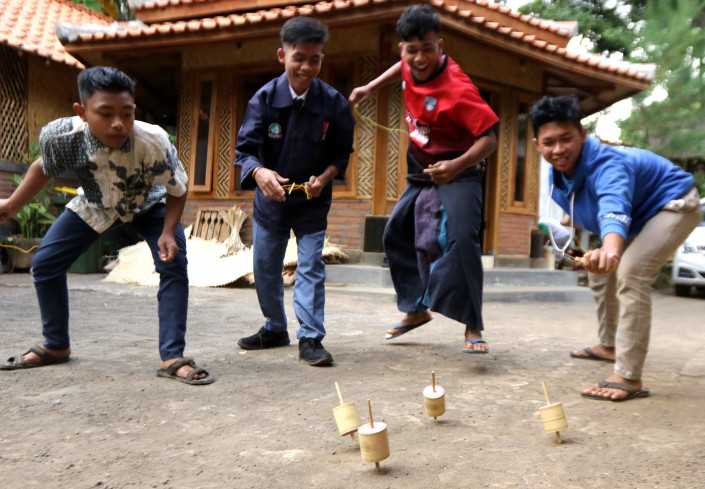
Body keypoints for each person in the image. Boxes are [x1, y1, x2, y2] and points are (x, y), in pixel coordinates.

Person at [0, 66, 214, 385]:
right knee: (45, 263)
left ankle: (172, 356)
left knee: (173, 264)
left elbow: (177, 188)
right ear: (82, 112)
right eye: (106, 113)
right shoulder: (62, 137)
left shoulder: (153, 140)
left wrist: (169, 231)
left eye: (126, 114)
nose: (118, 124)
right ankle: (56, 345)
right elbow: (43, 169)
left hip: (148, 202)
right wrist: (10, 205)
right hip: (96, 202)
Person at [530, 96, 702, 401]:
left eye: (566, 139)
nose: (558, 150)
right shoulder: (560, 172)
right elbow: (585, 202)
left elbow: (613, 208)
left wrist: (610, 253)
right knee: (599, 276)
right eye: (549, 142)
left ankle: (628, 375)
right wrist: (570, 222)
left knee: (631, 273)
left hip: (674, 205)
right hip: (640, 217)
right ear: (537, 144)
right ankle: (608, 346)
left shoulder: (608, 163)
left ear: (583, 135)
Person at [349, 5, 499, 354]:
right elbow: (401, 69)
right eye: (411, 50)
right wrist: (370, 86)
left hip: (461, 171)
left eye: (427, 49)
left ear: (440, 45)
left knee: (462, 241)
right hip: (421, 165)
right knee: (395, 233)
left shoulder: (458, 88)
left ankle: (473, 325)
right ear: (403, 48)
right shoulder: (409, 60)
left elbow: (490, 137)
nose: (419, 59)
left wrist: (457, 165)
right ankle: (416, 310)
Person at [235, 17, 355, 366]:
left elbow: (341, 154)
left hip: (312, 201)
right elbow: (245, 151)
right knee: (265, 267)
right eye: (298, 57)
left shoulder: (334, 103)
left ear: (322, 59)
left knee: (310, 266)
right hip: (270, 199)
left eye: (314, 58)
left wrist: (326, 176)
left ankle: (310, 337)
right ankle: (274, 328)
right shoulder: (264, 99)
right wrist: (259, 173)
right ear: (282, 55)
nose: (306, 66)